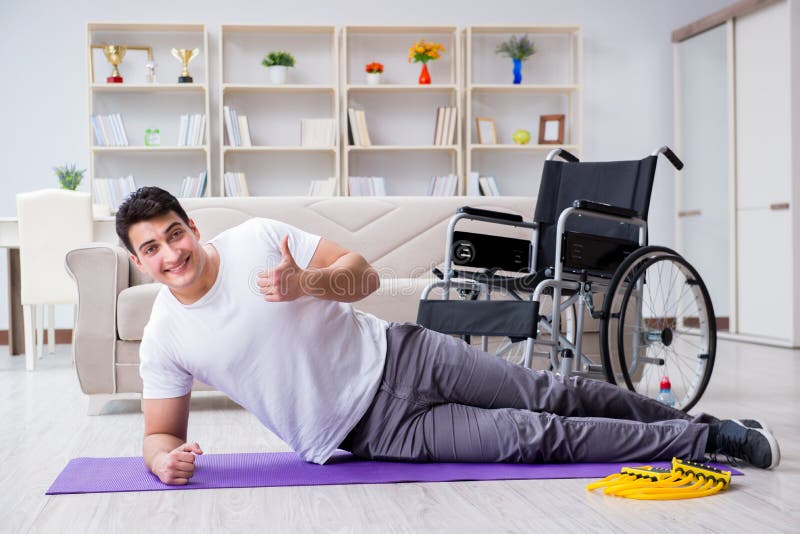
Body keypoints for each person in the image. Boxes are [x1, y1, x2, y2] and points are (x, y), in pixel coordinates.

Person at [116, 187, 780, 486]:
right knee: (536, 437)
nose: (170, 253)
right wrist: (161, 461)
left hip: (405, 354)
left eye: (175, 234)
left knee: (552, 392)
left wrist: (308, 283)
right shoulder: (165, 337)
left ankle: (705, 428)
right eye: (151, 249)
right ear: (139, 262)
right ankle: (706, 443)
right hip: (377, 430)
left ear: (193, 226)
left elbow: (364, 275)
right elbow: (159, 434)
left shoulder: (259, 239)